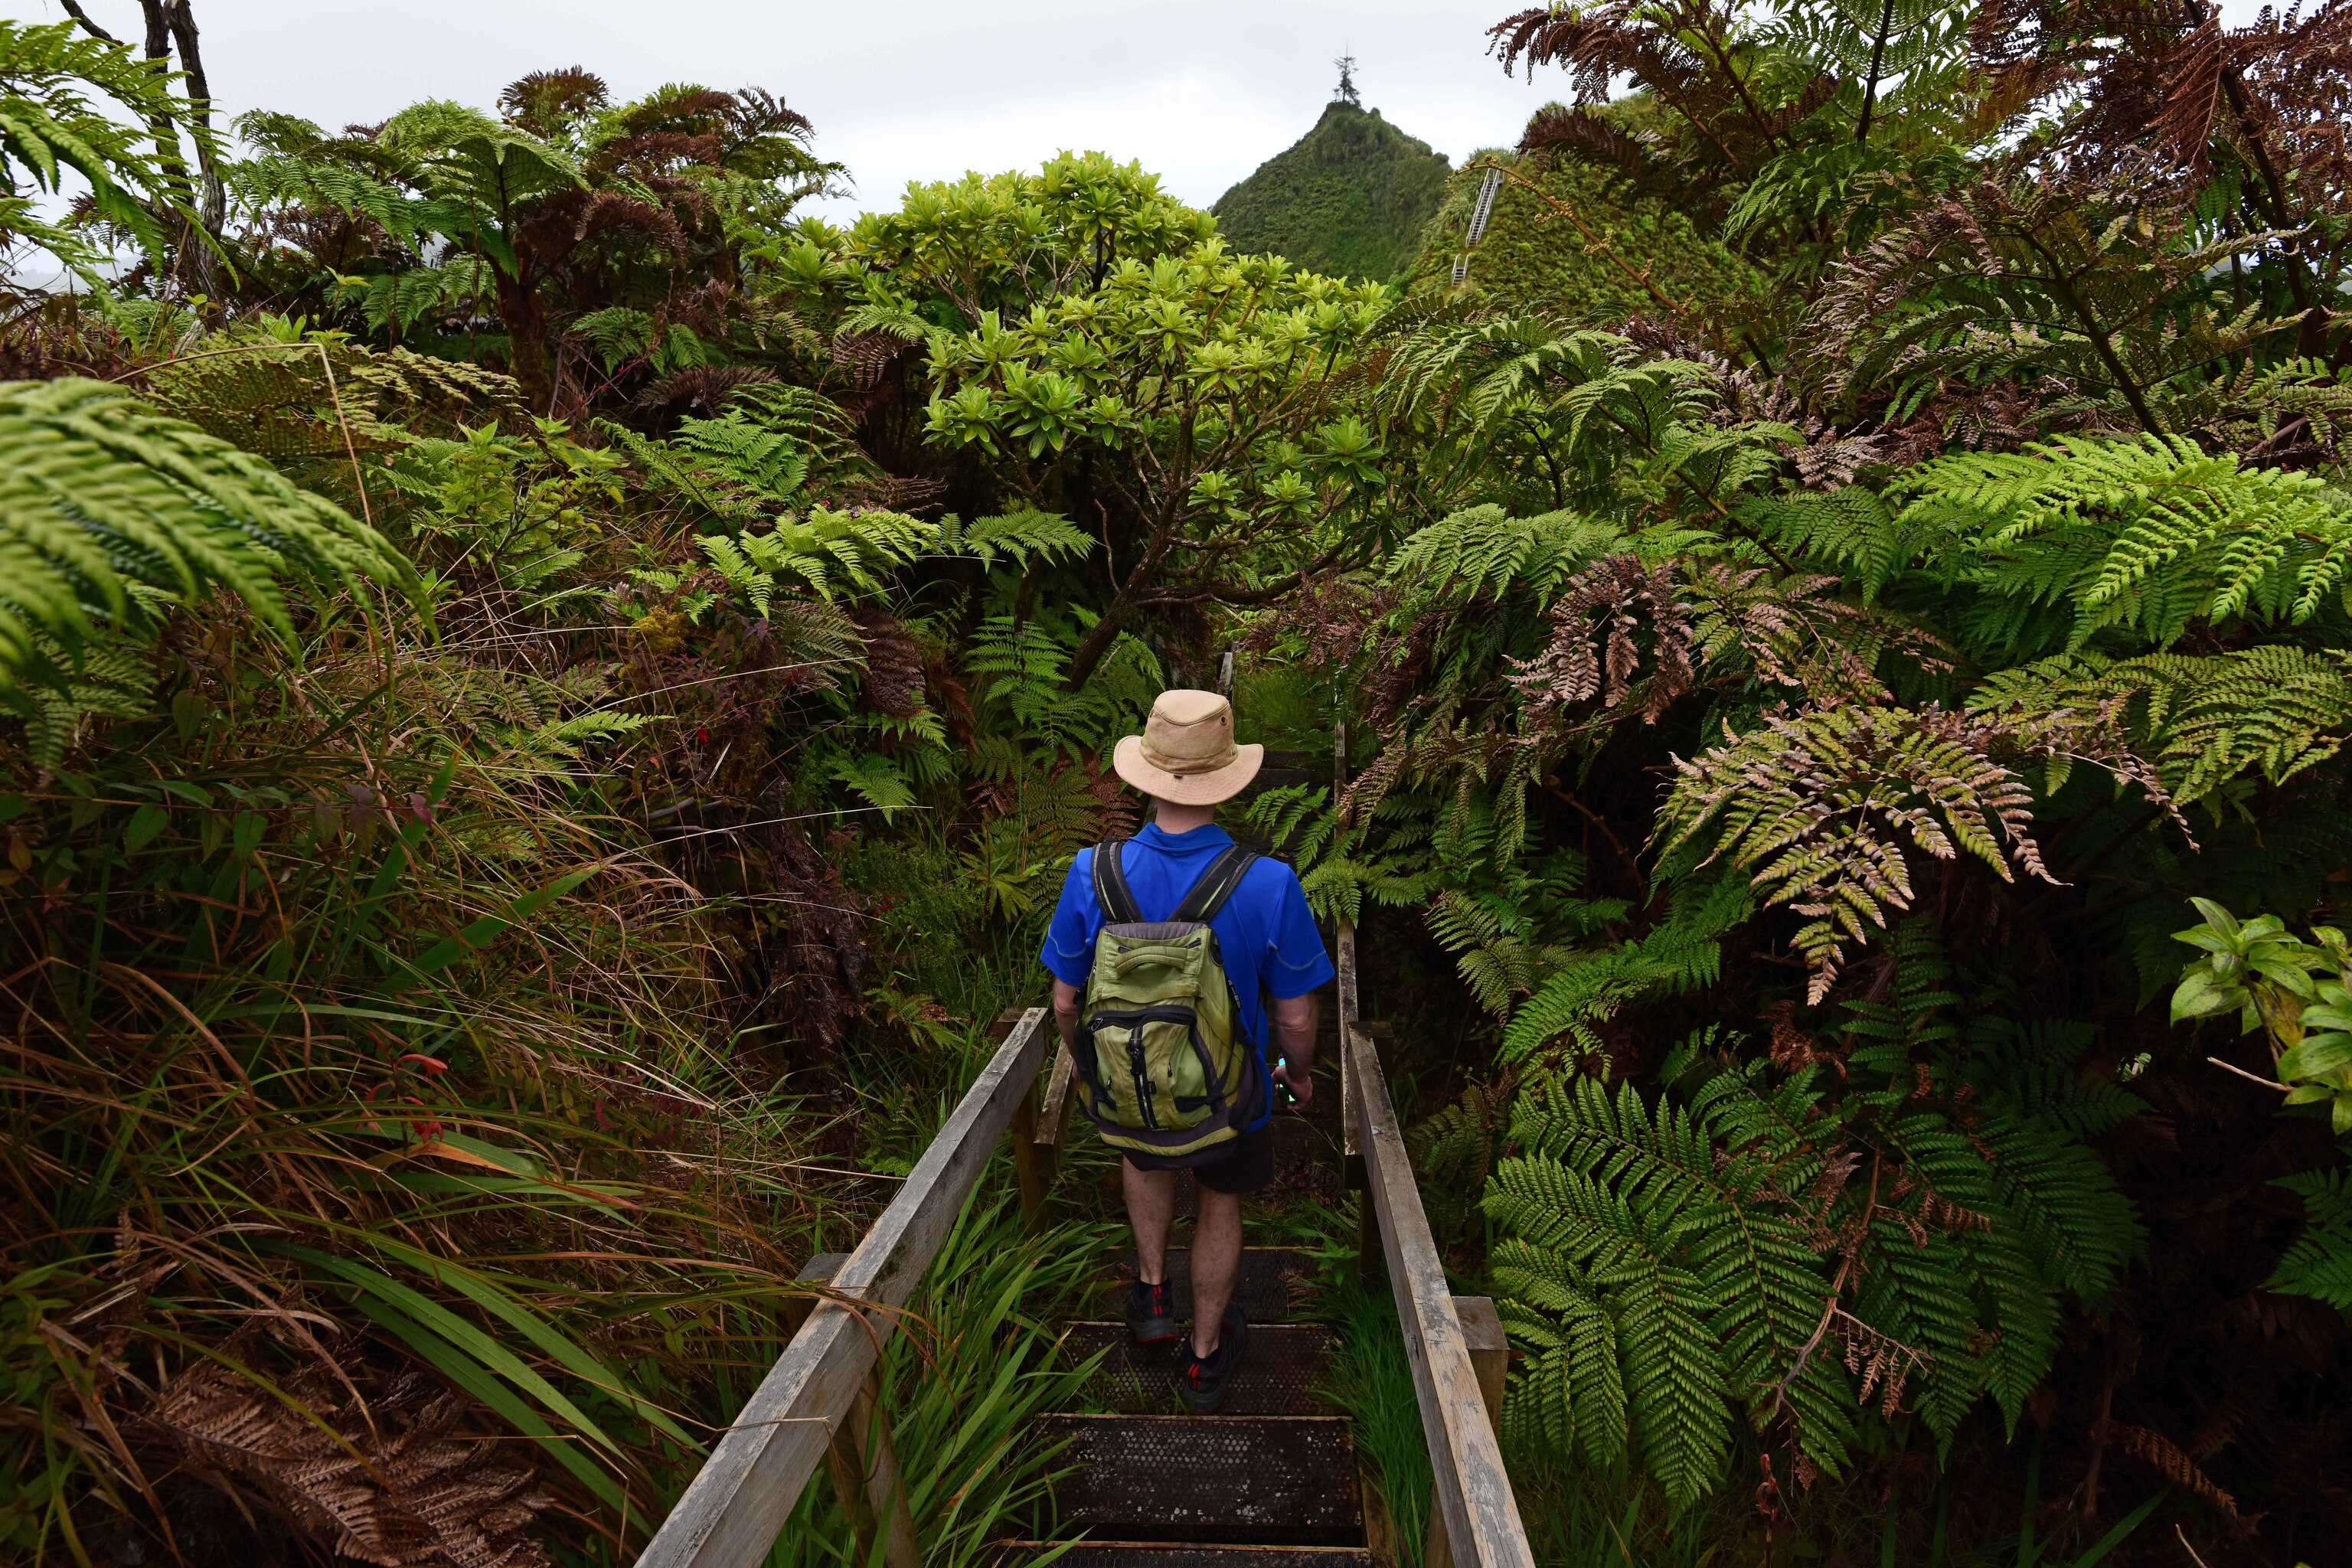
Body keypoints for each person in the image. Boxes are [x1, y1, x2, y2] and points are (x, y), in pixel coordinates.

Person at [1040, 688, 1334, 1413]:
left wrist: (1095, 1071)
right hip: (1233, 1098)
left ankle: (1151, 1294)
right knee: (1220, 1200)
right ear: (1226, 778)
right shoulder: (1269, 882)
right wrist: (1297, 1078)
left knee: (1143, 1154)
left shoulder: (1090, 870)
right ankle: (1203, 1358)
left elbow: (1066, 1002)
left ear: (1146, 772)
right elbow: (1296, 1016)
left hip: (1129, 1086)